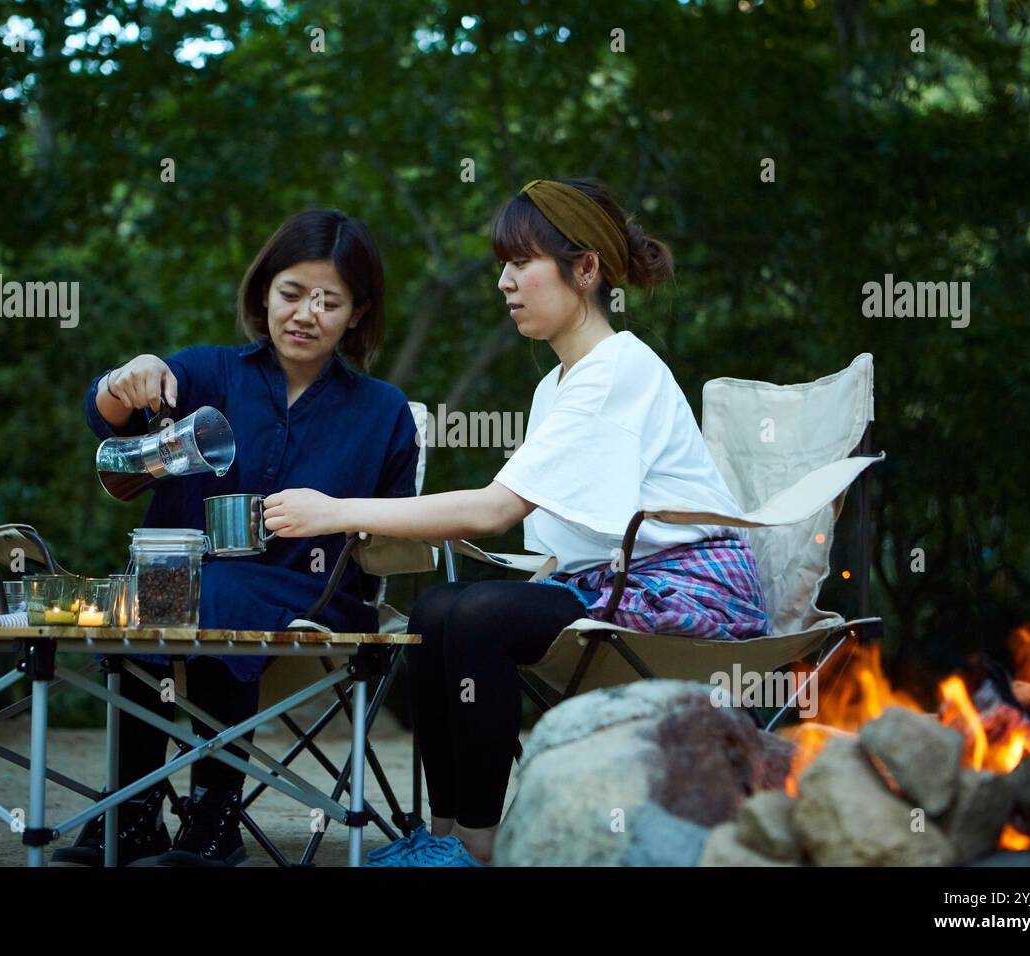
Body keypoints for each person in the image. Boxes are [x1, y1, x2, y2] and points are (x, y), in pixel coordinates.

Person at [264, 178, 769, 867]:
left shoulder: (618, 368)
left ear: (585, 269)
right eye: (503, 265)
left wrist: (334, 511)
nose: (504, 282)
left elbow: (497, 509)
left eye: (520, 263)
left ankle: (477, 843)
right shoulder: (556, 384)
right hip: (613, 585)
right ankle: (444, 837)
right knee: (438, 608)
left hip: (692, 593)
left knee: (479, 617)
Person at [59, 208, 419, 867]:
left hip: (315, 595)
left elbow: (398, 526)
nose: (306, 313)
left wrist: (335, 513)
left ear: (358, 314)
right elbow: (102, 419)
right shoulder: (204, 374)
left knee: (210, 590)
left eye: (329, 300)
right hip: (175, 587)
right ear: (262, 292)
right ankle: (133, 807)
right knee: (152, 590)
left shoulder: (382, 411)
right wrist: (123, 378)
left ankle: (215, 811)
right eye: (291, 292)